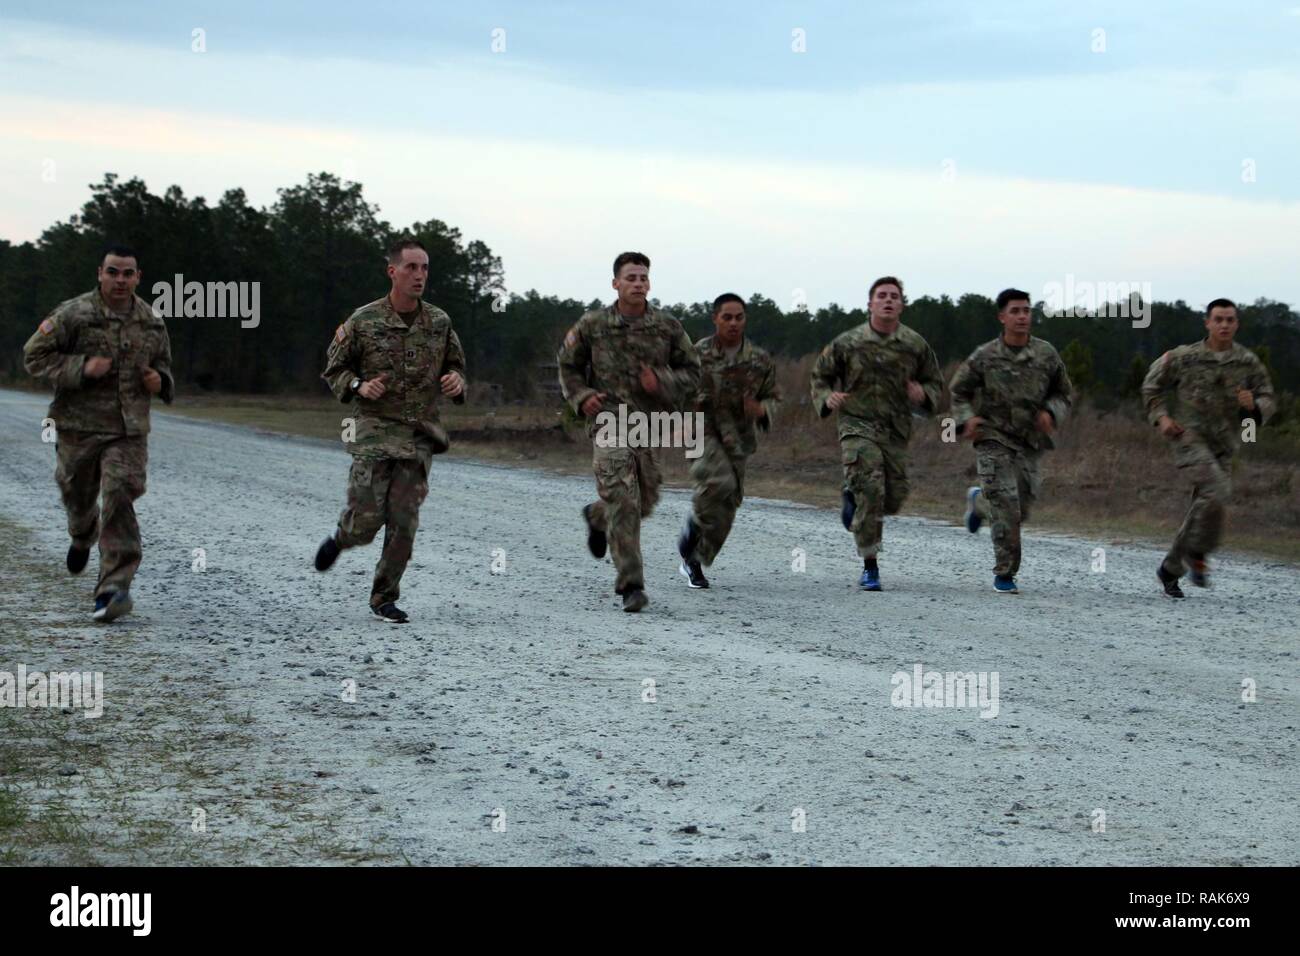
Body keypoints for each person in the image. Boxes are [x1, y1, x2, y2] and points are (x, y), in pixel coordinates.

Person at [315, 238, 467, 623]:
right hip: (374, 433)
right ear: (393, 271)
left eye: (425, 268)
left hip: (419, 435)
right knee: (367, 521)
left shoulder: (440, 322)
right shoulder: (363, 321)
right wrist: (357, 386)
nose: (419, 276)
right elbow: (335, 369)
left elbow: (456, 367)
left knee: (404, 520)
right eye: (411, 268)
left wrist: (456, 381)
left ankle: (384, 597)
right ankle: (343, 537)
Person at [22, 243, 175, 622]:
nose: (120, 280)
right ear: (100, 273)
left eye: (128, 273)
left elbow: (164, 367)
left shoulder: (152, 322)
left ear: (138, 277)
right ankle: (81, 532)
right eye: (113, 272)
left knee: (121, 491)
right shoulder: (74, 314)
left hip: (128, 430)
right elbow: (34, 356)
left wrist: (161, 381)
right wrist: (80, 368)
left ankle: (113, 587)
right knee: (76, 491)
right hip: (78, 426)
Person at [557, 251, 700, 612]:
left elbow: (693, 372)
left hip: (648, 424)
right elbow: (568, 364)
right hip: (608, 420)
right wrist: (582, 396)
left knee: (644, 500)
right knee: (623, 496)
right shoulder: (592, 325)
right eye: (631, 278)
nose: (638, 284)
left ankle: (596, 516)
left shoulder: (667, 327)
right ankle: (631, 585)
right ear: (616, 283)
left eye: (643, 278)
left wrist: (662, 380)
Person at [810, 276, 943, 590]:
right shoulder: (848, 342)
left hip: (895, 430)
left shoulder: (915, 345)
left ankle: (850, 497)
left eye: (894, 296)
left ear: (902, 305)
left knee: (892, 499)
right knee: (870, 487)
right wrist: (826, 398)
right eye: (881, 296)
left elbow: (934, 383)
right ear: (869, 304)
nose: (888, 300)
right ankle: (870, 565)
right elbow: (820, 376)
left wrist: (922, 394)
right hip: (857, 425)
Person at [1142, 298, 1274, 598]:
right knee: (1216, 492)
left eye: (1230, 319)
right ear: (1207, 323)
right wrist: (1161, 417)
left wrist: (1254, 407)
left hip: (1225, 443)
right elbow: (1151, 386)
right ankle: (1197, 554)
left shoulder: (1247, 362)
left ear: (1237, 324)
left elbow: (1268, 397)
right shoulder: (1184, 357)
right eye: (1219, 319)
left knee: (1206, 505)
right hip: (1188, 438)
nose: (1224, 325)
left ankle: (1170, 570)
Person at [949, 289, 1074, 593]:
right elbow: (959, 390)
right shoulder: (985, 355)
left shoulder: (1046, 354)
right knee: (1006, 505)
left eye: (1026, 311)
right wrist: (967, 419)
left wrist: (1050, 412)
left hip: (1030, 441)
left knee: (1022, 508)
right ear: (1002, 317)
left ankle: (979, 504)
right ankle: (1005, 573)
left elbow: (1064, 393)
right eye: (1015, 311)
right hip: (993, 437)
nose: (1022, 316)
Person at [678, 293, 781, 588]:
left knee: (728, 507)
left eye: (739, 317)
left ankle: (694, 559)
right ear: (715, 319)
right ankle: (692, 528)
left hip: (739, 439)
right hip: (703, 432)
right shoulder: (697, 354)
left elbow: (774, 398)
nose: (734, 323)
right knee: (719, 483)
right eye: (727, 317)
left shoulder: (759, 360)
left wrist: (762, 410)